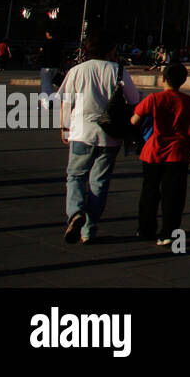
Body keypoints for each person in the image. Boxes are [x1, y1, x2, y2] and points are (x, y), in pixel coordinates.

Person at [56, 31, 142, 245]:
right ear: (111, 50)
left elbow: (66, 102)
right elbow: (134, 99)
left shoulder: (76, 71)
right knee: (99, 181)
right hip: (110, 135)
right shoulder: (119, 71)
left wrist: (65, 128)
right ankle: (89, 230)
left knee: (75, 176)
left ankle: (75, 212)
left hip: (80, 132)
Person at [131, 62, 190, 246]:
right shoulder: (188, 101)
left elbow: (135, 120)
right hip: (178, 153)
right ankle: (168, 233)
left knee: (150, 191)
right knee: (174, 195)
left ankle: (145, 229)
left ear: (163, 79)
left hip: (153, 151)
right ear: (184, 81)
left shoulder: (154, 99)